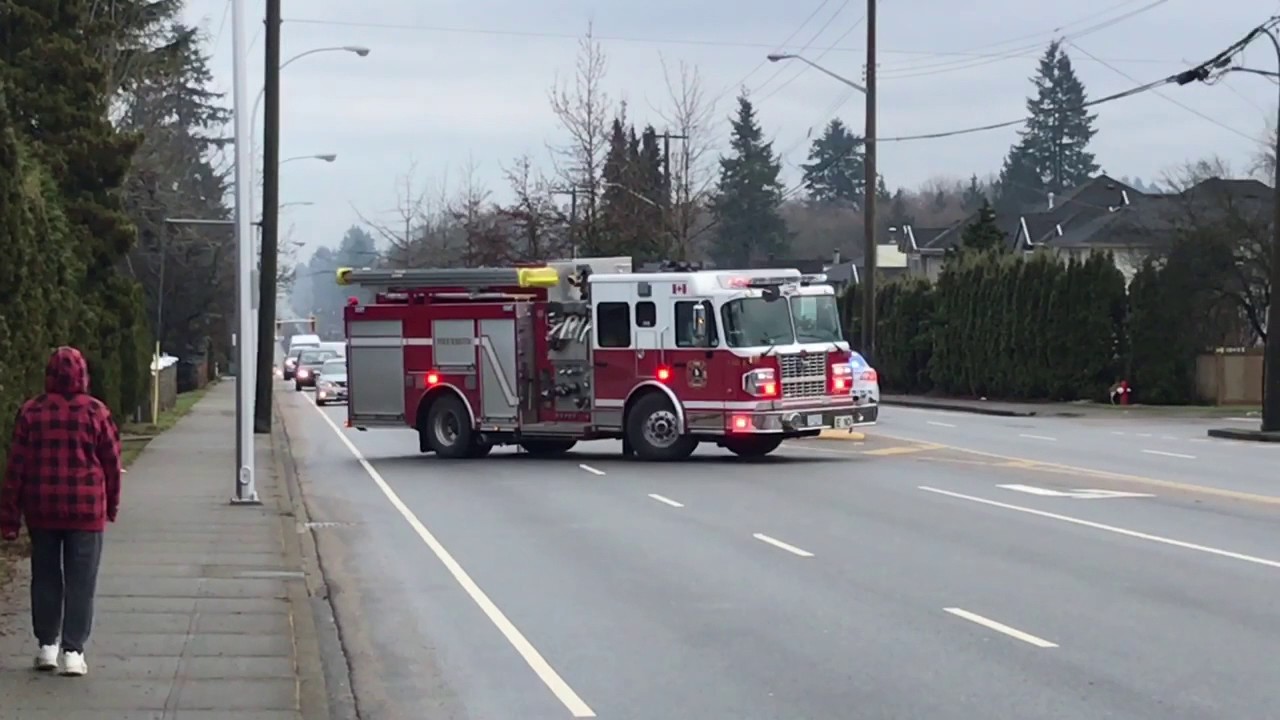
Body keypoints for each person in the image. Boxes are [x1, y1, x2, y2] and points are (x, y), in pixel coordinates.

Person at [0, 346, 121, 677]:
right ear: (83, 375)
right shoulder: (97, 413)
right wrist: (110, 504)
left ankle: (46, 646)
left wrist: (9, 516)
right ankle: (73, 650)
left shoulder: (31, 413)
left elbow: (17, 467)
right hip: (85, 511)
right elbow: (111, 463)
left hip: (43, 509)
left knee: (46, 578)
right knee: (82, 581)